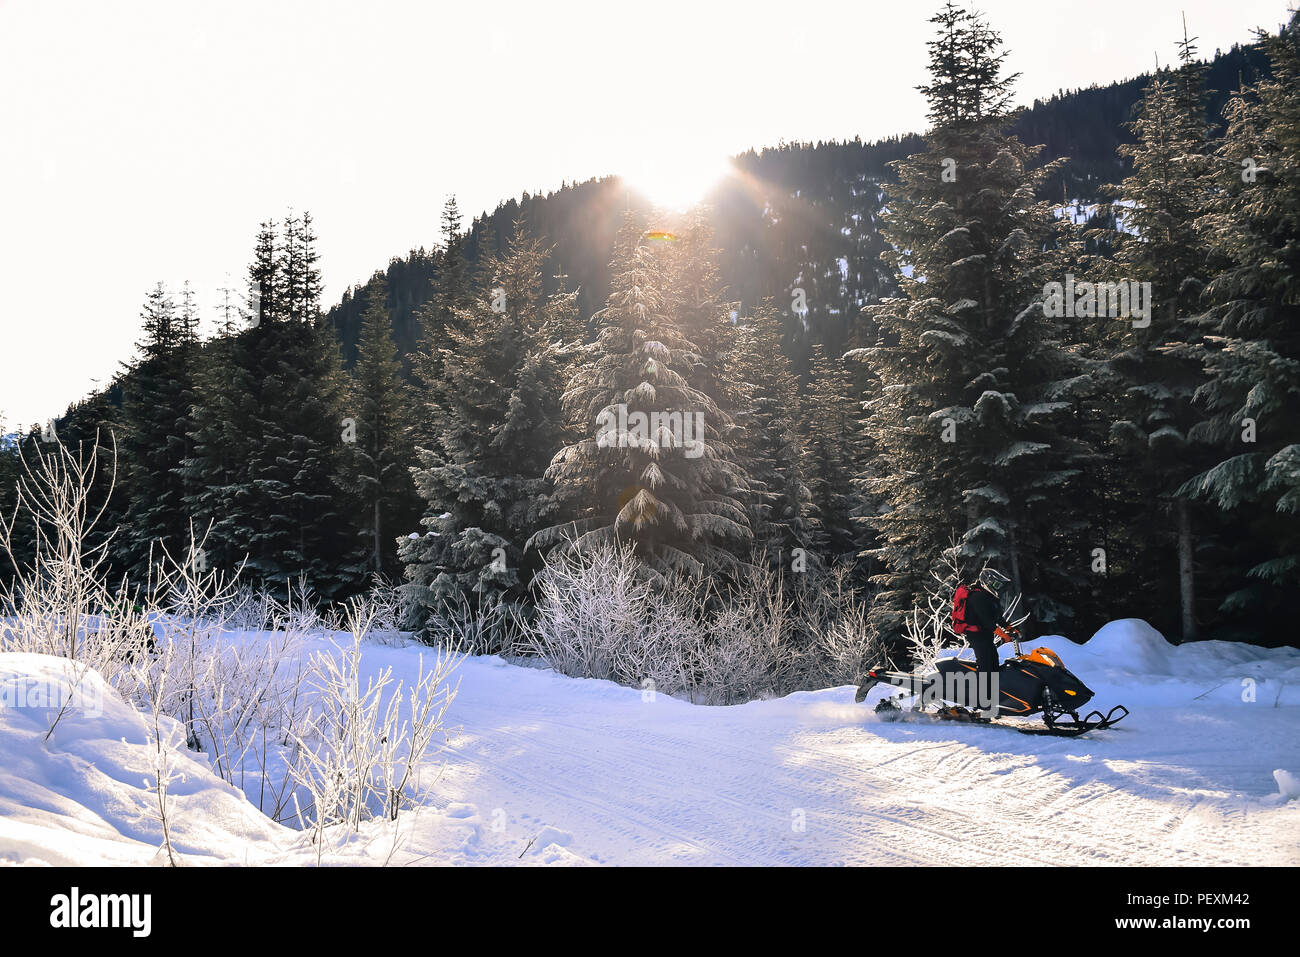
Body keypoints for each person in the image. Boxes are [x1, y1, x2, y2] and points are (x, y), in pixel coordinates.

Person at [951, 567, 1019, 712]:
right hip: (976, 635)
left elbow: (997, 617)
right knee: (985, 664)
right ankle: (981, 701)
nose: (998, 588)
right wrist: (1004, 635)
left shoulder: (989, 597)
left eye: (999, 586)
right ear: (987, 582)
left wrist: (1009, 628)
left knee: (994, 662)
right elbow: (987, 621)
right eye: (996, 585)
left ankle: (991, 699)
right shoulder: (977, 597)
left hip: (985, 634)